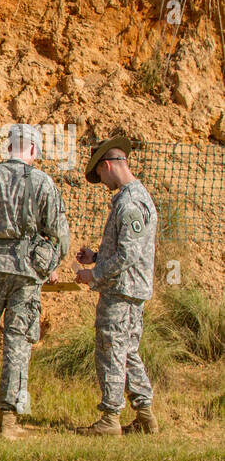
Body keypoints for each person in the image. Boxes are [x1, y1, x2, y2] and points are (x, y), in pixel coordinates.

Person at [0, 124, 71, 439]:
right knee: (17, 344)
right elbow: (60, 237)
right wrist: (42, 266)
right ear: (33, 150)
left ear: (10, 148)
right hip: (26, 277)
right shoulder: (44, 183)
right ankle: (8, 423)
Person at [75, 136, 159, 436]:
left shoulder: (130, 203)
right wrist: (96, 257)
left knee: (110, 350)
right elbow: (128, 251)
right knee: (128, 351)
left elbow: (127, 255)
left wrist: (94, 273)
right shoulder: (138, 197)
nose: (101, 180)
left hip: (121, 292)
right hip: (129, 289)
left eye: (100, 174)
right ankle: (145, 415)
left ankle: (110, 418)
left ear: (108, 165)